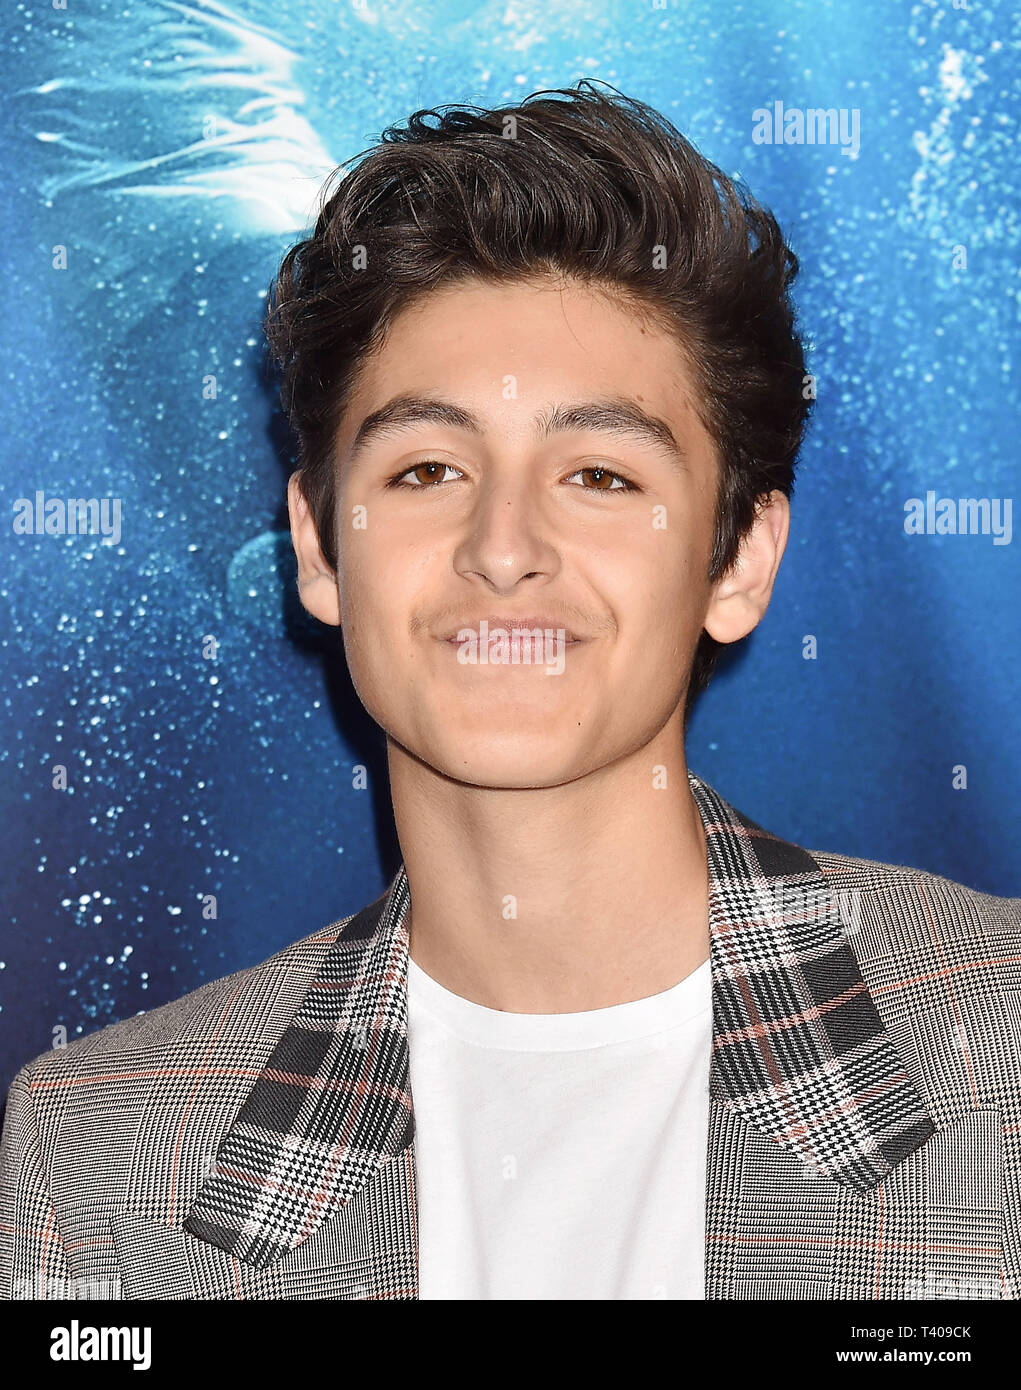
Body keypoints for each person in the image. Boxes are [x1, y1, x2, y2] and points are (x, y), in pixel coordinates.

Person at [2, 81, 1018, 1303]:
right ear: (320, 549)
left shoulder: (1000, 1064)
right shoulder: (93, 1162)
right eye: (427, 467)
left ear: (738, 558)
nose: (503, 545)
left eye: (596, 472)